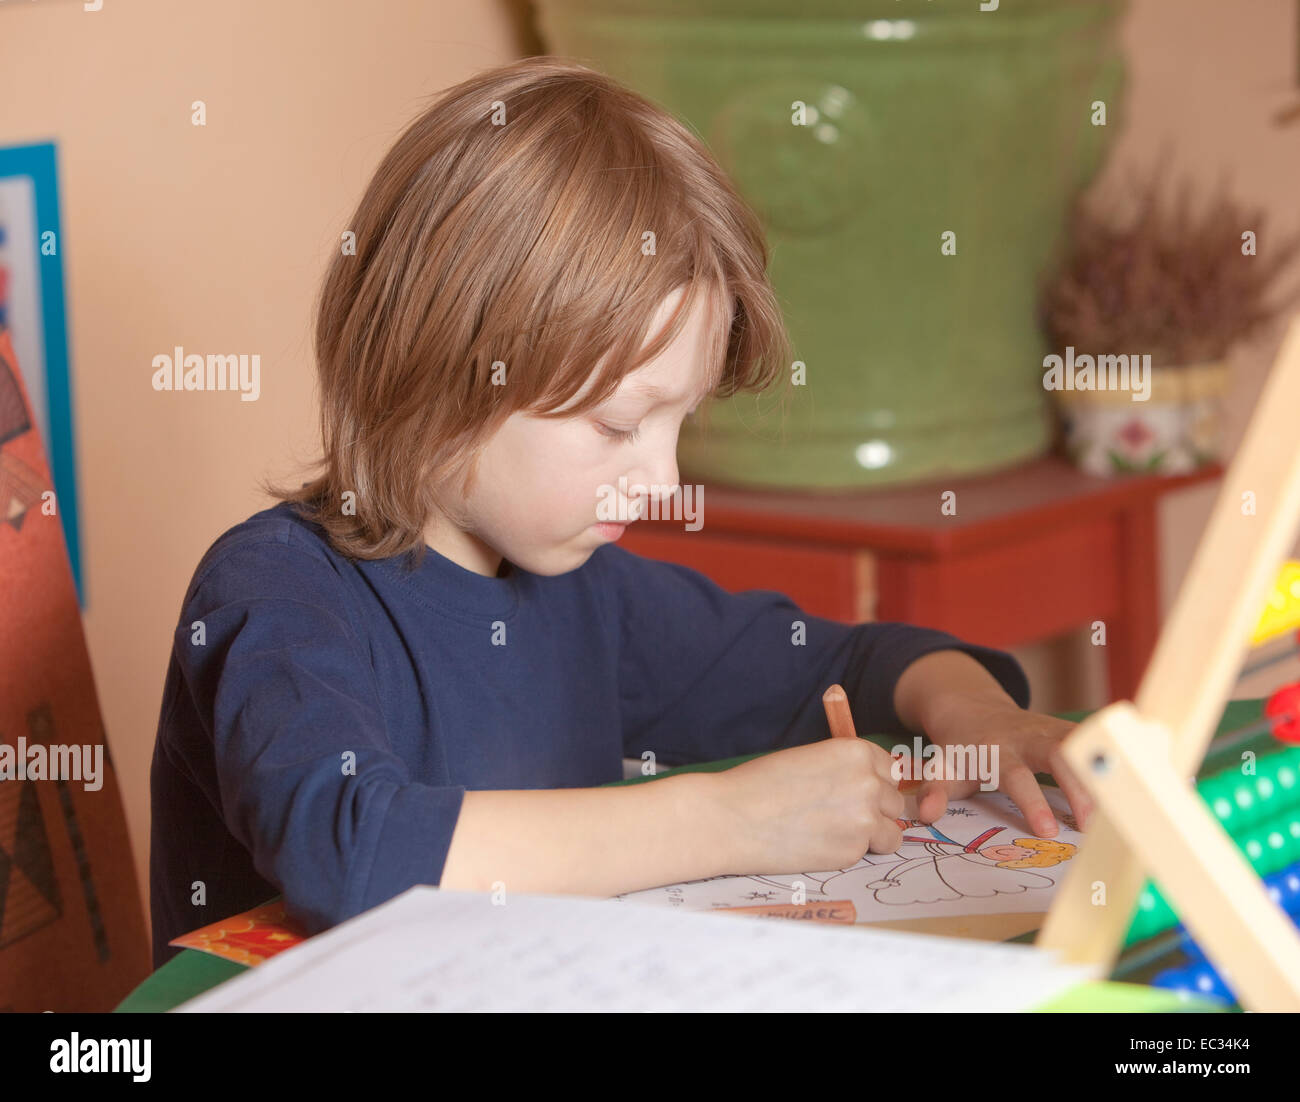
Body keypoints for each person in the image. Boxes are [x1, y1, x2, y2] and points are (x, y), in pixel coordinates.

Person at [149, 56, 1092, 969]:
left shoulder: (591, 598)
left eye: (680, 423)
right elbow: (351, 850)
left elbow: (856, 662)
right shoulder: (274, 591)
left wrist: (977, 714)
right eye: (619, 423)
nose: (660, 479)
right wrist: (730, 820)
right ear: (441, 375)